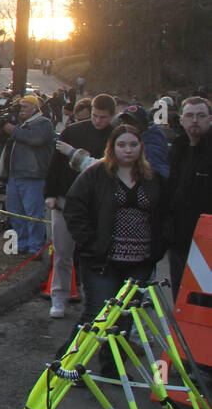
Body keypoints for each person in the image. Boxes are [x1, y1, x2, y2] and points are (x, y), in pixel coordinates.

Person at [65, 125, 169, 378]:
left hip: (139, 262)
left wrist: (158, 248)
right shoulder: (96, 174)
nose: (128, 150)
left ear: (141, 147)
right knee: (94, 316)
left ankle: (113, 368)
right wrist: (89, 242)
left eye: (133, 144)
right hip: (102, 260)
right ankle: (66, 366)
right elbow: (75, 207)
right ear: (112, 148)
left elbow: (166, 215)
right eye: (122, 145)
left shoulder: (152, 179)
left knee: (123, 320)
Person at [43, 93, 116, 318]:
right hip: (66, 199)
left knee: (94, 254)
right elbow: (55, 163)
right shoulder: (73, 131)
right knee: (62, 252)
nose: (97, 121)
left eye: (103, 117)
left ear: (112, 116)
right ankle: (59, 297)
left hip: (97, 205)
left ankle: (94, 299)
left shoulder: (115, 136)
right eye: (95, 116)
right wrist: (50, 193)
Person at [167, 97, 212, 298]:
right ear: (182, 120)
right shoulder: (178, 148)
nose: (195, 120)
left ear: (209, 119)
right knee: (181, 299)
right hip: (178, 240)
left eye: (201, 115)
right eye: (190, 115)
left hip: (207, 240)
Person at [1, 94, 55, 255]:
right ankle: (22, 243)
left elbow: (36, 139)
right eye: (19, 107)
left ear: (35, 108)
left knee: (33, 213)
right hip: (14, 175)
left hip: (33, 175)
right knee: (14, 211)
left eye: (25, 107)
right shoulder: (21, 124)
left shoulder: (43, 123)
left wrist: (12, 130)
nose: (21, 111)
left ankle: (35, 247)